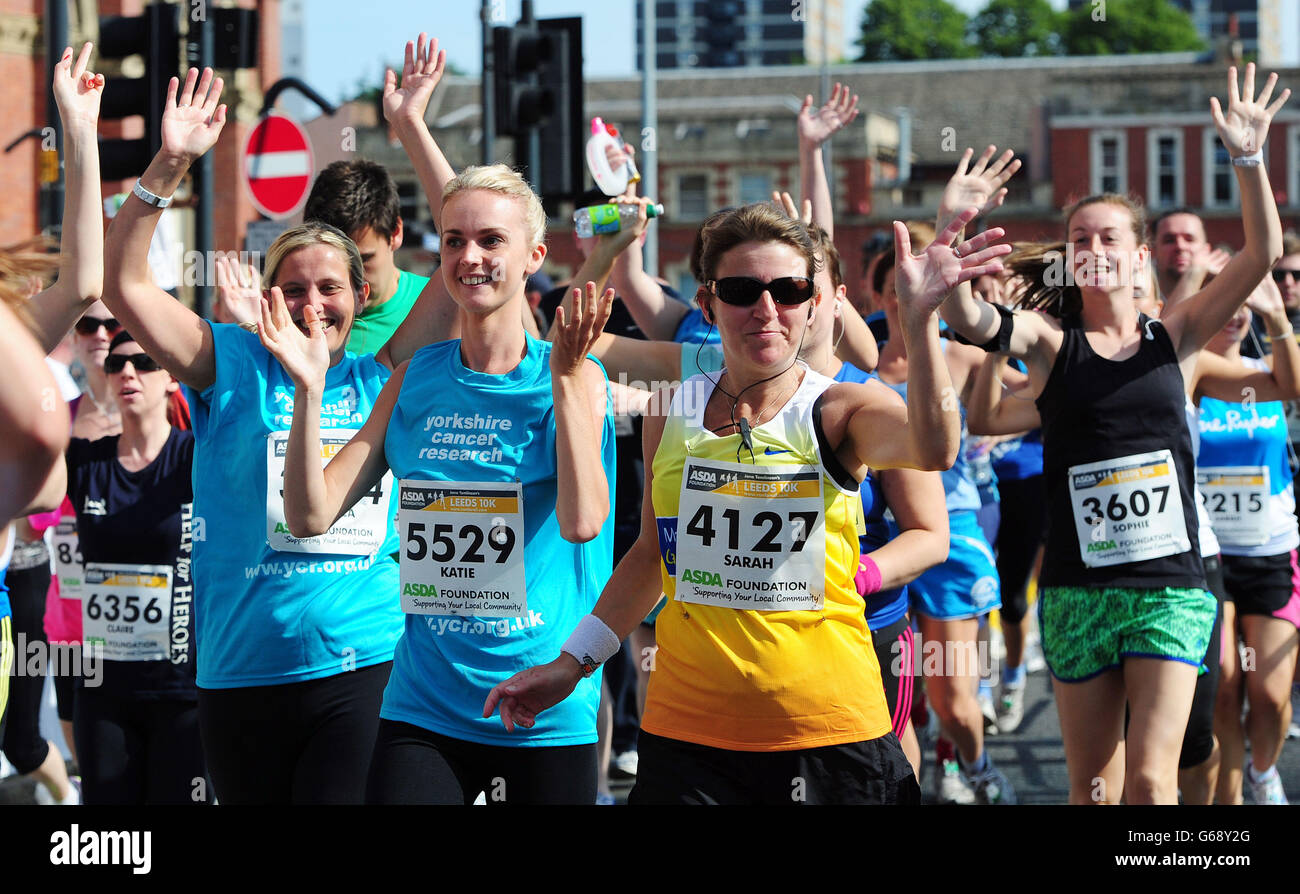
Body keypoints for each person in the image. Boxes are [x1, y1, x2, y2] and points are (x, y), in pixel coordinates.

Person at [484, 202, 1010, 804]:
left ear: (815, 303)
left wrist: (918, 324)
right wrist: (573, 663)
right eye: (742, 290)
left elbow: (935, 448)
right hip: (688, 741)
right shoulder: (671, 408)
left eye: (788, 290)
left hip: (828, 734)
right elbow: (653, 557)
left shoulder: (841, 410)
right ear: (707, 304)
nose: (767, 310)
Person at [262, 36, 621, 806]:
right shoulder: (415, 378)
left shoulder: (575, 374)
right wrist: (305, 390)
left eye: (492, 241)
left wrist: (560, 379)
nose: (470, 257)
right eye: (454, 241)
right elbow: (308, 512)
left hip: (544, 699)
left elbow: (588, 522)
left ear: (534, 255)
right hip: (424, 702)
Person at [939, 64, 1288, 804]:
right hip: (1074, 588)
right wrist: (955, 229)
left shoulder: (1180, 333)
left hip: (1169, 586)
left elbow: (1259, 253)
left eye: (1110, 235)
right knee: (1093, 788)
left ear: (1138, 256)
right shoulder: (1048, 341)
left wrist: (1248, 158)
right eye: (1079, 236)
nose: (1094, 244)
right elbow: (972, 321)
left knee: (1151, 780)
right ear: (1068, 255)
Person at [101, 67, 407, 804]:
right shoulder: (228, 362)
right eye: (293, 288)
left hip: (361, 660)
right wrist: (168, 164)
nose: (311, 304)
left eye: (329, 288)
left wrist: (414, 132)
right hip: (241, 668)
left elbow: (475, 269)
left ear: (361, 297)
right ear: (270, 298)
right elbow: (123, 287)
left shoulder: (380, 376)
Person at [64, 331, 205, 803]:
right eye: (117, 364)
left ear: (171, 378)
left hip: (183, 691)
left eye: (145, 361)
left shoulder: (196, 457)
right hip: (104, 692)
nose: (128, 372)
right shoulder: (84, 461)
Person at [1193, 278, 1300, 804]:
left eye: (1242, 307)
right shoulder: (1190, 377)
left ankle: (1263, 770)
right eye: (1223, 307)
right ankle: (1230, 804)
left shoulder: (1270, 376)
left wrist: (1277, 318)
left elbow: (1296, 385)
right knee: (1226, 688)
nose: (1233, 316)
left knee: (1272, 695)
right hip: (1210, 557)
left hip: (1271, 552)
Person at [302, 159, 431, 354]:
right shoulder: (295, 322)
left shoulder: (437, 305)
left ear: (395, 233)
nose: (350, 278)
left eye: (363, 260)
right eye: (334, 264)